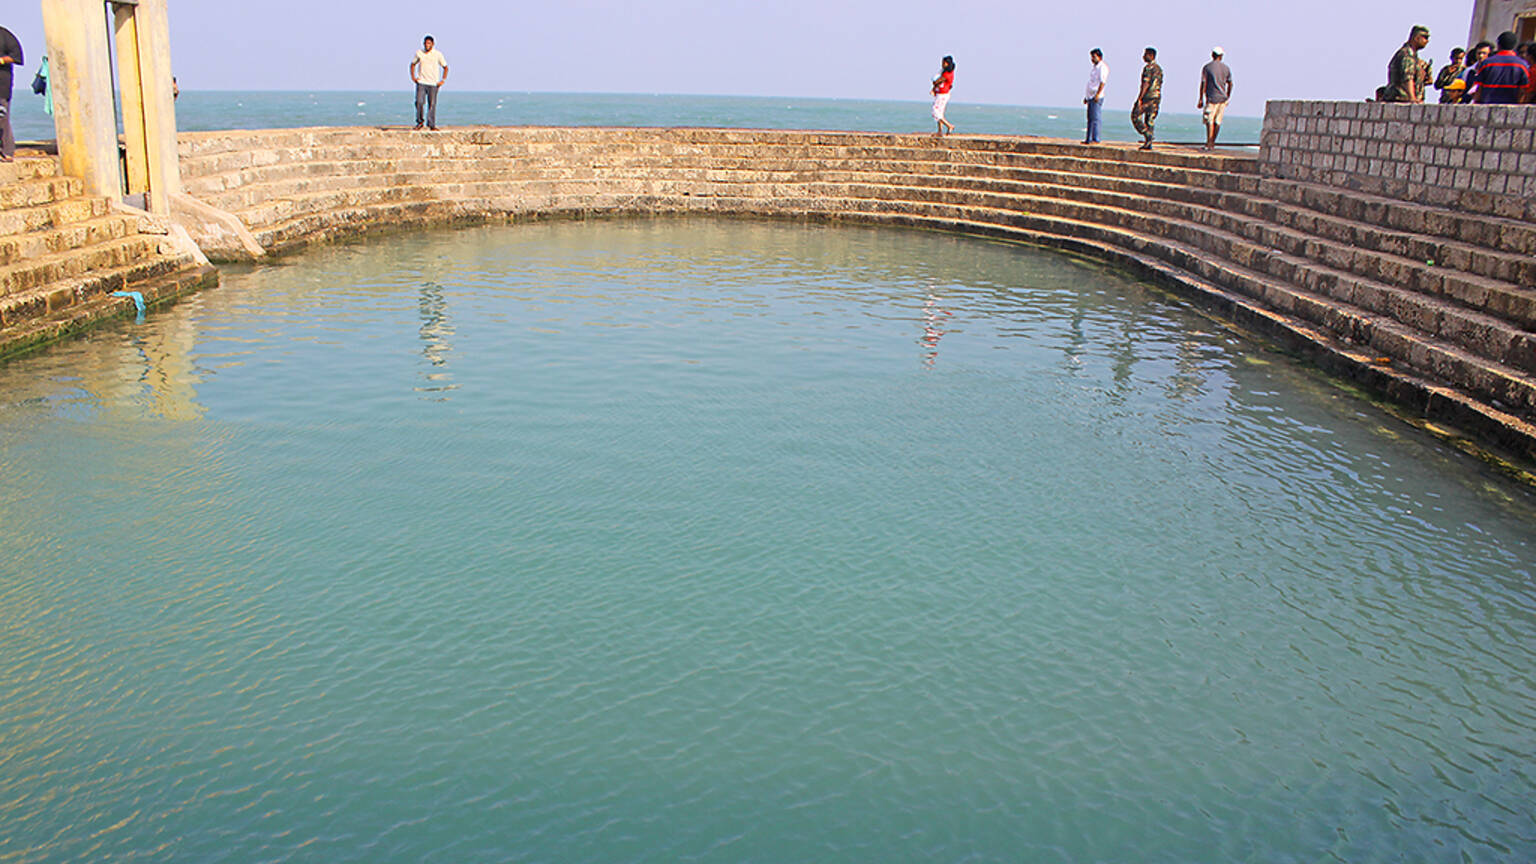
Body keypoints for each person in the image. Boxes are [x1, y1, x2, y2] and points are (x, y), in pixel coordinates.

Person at [1471, 31, 1529, 104]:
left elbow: (1479, 88)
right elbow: (1522, 91)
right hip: (1511, 109)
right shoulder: (1522, 65)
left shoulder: (1487, 63)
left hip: (1487, 107)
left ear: (1498, 45)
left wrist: (1476, 105)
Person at [1382, 25, 1431, 103]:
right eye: (1425, 38)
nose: (1427, 41)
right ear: (1416, 38)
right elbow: (1407, 78)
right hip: (1400, 99)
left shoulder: (1415, 58)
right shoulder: (1407, 55)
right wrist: (1412, 98)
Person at [410, 35, 449, 131]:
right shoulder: (419, 53)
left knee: (432, 104)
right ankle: (420, 121)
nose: (427, 45)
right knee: (419, 102)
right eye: (426, 43)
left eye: (429, 43)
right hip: (421, 82)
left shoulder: (438, 54)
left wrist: (442, 80)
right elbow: (412, 64)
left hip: (433, 83)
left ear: (432, 44)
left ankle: (431, 124)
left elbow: (445, 67)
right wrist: (413, 77)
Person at [1198, 47, 1232, 150]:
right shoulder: (1226, 68)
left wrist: (1200, 98)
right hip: (1222, 98)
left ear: (1212, 55)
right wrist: (1227, 95)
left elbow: (1203, 83)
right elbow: (1230, 83)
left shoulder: (1207, 67)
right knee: (1217, 122)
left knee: (1209, 121)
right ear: (1221, 56)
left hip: (1212, 98)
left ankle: (1209, 143)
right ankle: (1212, 142)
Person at [1131, 46, 1162, 151]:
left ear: (1151, 56)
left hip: (1148, 97)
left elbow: (1146, 83)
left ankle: (1148, 135)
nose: (1143, 57)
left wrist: (1140, 98)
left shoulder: (1149, 68)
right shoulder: (1159, 69)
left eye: (1145, 54)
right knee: (1150, 120)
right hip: (1156, 97)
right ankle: (1148, 142)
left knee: (1135, 116)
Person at [0, 24, 22, 163]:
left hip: (1, 85)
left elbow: (17, 56)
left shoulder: (4, 35)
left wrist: (1, 60)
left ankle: (7, 152)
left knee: (2, 118)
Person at [1083, 48, 1108, 145]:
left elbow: (1102, 82)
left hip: (1096, 96)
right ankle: (1089, 139)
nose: (1092, 59)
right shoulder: (1094, 68)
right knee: (1090, 118)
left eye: (1094, 57)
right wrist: (1086, 96)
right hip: (1090, 96)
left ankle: (1095, 139)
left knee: (1095, 118)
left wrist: (1098, 94)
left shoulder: (1102, 68)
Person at [931, 55, 955, 137]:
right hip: (940, 93)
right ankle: (940, 131)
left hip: (943, 95)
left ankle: (949, 126)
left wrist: (934, 82)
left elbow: (937, 81)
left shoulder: (947, 75)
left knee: (936, 112)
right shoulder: (944, 72)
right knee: (940, 113)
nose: (942, 64)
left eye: (944, 63)